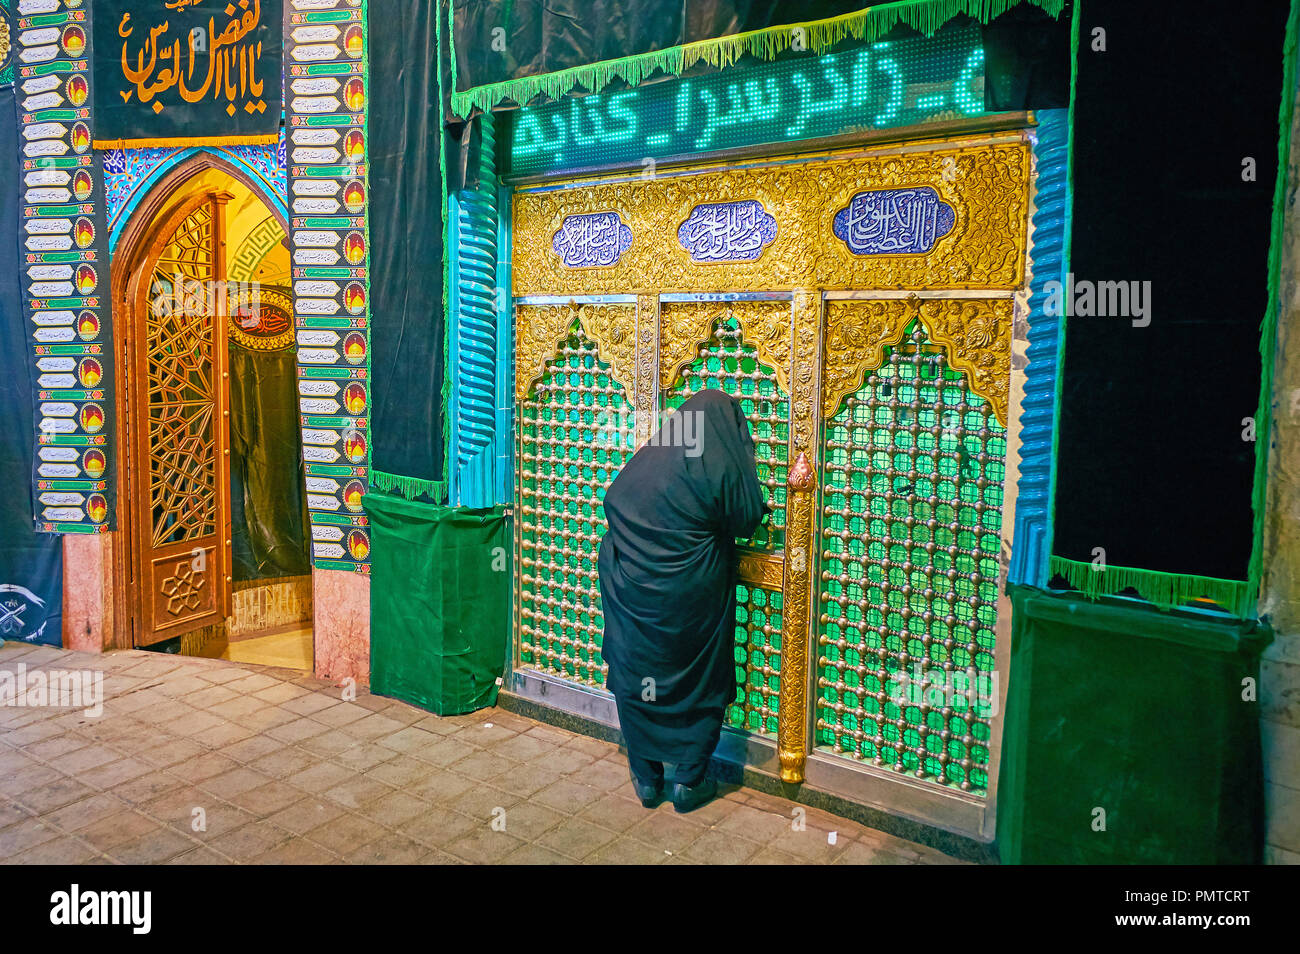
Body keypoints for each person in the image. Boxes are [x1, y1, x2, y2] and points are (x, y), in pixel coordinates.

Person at [597, 389, 768, 813]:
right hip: (694, 604)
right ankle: (689, 780)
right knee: (698, 679)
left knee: (639, 671)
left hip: (634, 596)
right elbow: (746, 518)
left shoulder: (652, 460)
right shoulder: (718, 466)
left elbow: (616, 502)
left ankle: (647, 777)